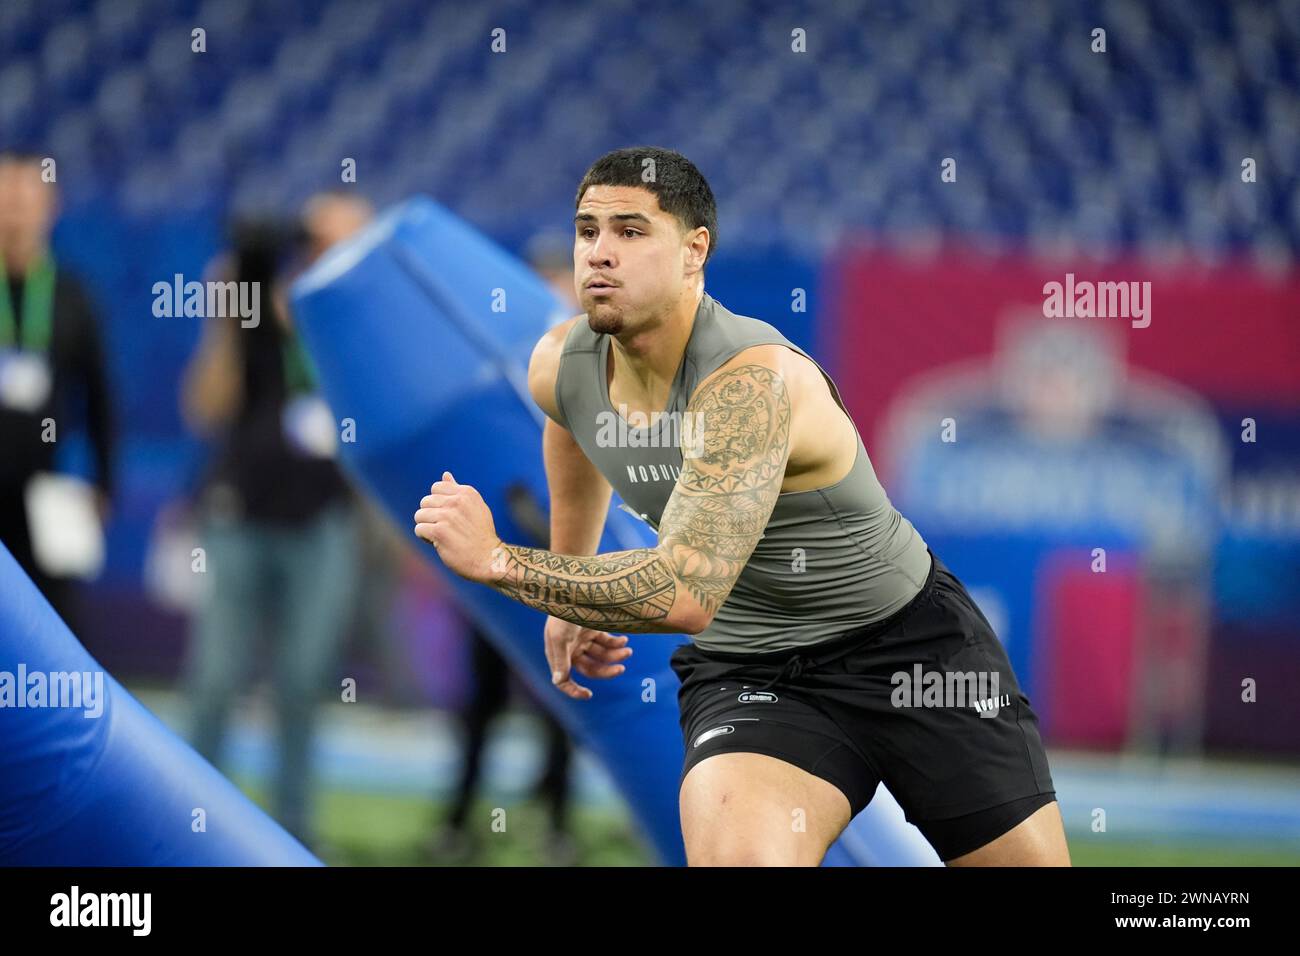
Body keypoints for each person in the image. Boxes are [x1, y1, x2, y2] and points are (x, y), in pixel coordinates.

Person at [413, 146, 1070, 867]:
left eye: (631, 232)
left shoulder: (749, 385)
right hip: (751, 674)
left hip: (910, 651)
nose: (599, 254)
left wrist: (503, 563)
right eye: (587, 230)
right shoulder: (562, 364)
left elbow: (686, 592)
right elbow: (570, 423)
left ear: (695, 251)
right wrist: (570, 587)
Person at [179, 213, 360, 850]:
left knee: (303, 682)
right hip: (241, 517)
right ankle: (188, 822)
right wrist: (224, 318)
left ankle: (291, 835)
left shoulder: (350, 317)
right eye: (308, 244)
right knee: (215, 678)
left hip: (321, 522)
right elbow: (206, 409)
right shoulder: (247, 307)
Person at [0, 149, 115, 625]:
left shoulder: (71, 294)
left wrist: (103, 484)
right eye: (5, 196)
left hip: (44, 496)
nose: (14, 209)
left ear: (51, 205)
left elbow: (99, 397)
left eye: (27, 197)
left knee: (47, 627)